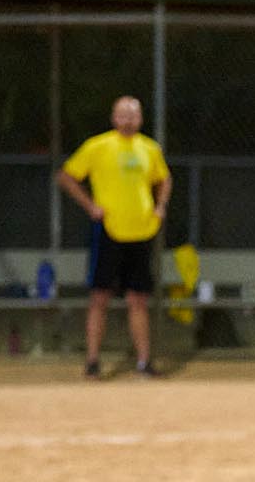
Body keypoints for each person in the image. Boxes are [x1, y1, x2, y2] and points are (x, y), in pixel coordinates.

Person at [57, 96, 170, 378]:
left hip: (141, 231)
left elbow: (164, 179)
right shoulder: (98, 146)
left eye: (133, 115)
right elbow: (67, 176)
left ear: (141, 119)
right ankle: (93, 361)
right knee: (99, 296)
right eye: (122, 115)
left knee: (138, 298)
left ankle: (144, 362)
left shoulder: (150, 148)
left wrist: (160, 206)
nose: (128, 120)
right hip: (108, 230)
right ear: (113, 118)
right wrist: (90, 206)